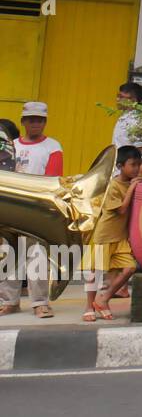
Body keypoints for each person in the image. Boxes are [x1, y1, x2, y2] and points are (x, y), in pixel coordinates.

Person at [0, 102, 63, 318]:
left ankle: (39, 302)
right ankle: (9, 301)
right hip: (10, 207)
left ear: (45, 122)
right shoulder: (10, 144)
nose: (35, 123)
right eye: (31, 119)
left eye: (40, 119)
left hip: (36, 207)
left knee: (36, 254)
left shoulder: (53, 146)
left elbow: (53, 178)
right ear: (23, 121)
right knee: (9, 253)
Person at [83, 145, 142, 322]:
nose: (137, 168)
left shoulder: (135, 181)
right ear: (121, 166)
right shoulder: (113, 186)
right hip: (105, 235)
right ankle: (88, 307)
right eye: (133, 164)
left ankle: (104, 298)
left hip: (121, 237)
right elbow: (122, 209)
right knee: (95, 272)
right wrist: (132, 189)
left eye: (139, 164)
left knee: (130, 268)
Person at [112, 82, 142, 151]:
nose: (117, 99)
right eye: (117, 96)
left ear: (133, 100)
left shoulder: (135, 120)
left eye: (121, 96)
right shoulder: (124, 117)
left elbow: (140, 149)